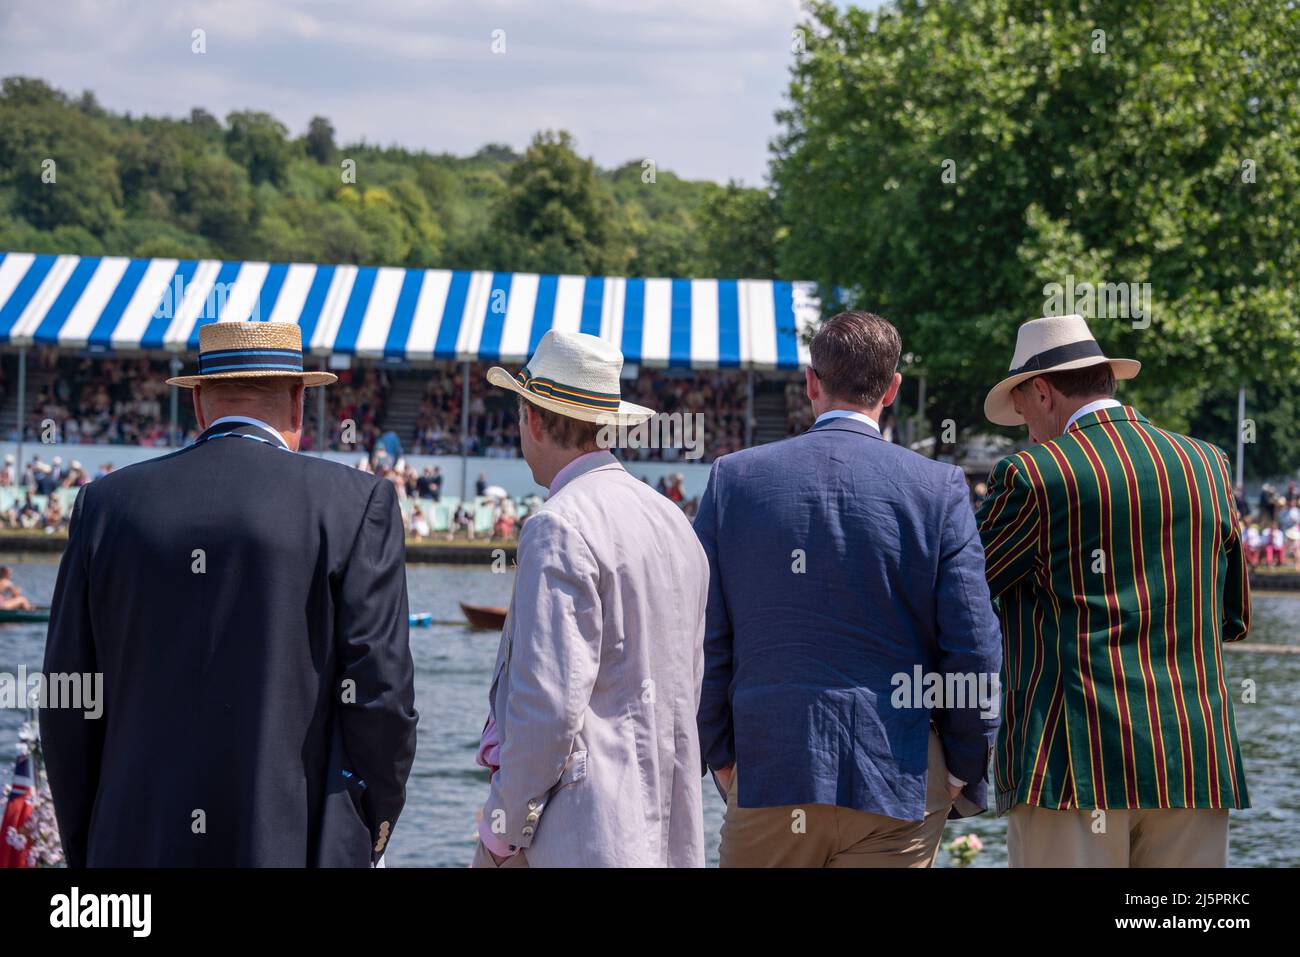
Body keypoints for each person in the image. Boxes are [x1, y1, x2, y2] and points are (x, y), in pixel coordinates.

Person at [41, 321, 418, 867]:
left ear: (198, 403)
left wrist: (88, 841)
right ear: (297, 402)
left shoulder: (105, 505)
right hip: (295, 844)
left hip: (131, 848)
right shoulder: (355, 503)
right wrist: (365, 832)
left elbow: (67, 697)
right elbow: (381, 698)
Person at [695, 311, 1002, 868]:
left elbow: (702, 632)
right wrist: (960, 765)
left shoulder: (734, 479)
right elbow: (974, 644)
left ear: (811, 382)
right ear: (893, 389)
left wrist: (718, 751)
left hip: (769, 766)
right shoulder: (939, 488)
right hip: (898, 771)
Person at [977, 314, 1249, 867]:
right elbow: (1233, 613)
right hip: (1193, 758)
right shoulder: (1210, 464)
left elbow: (960, 595)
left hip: (1072, 761)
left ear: (1043, 391)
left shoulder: (1032, 474)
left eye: (1023, 411)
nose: (1026, 428)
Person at [472, 330, 708, 867]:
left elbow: (547, 709)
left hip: (582, 836)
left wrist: (501, 833)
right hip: (667, 833)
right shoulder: (674, 521)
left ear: (532, 418)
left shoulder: (558, 525)